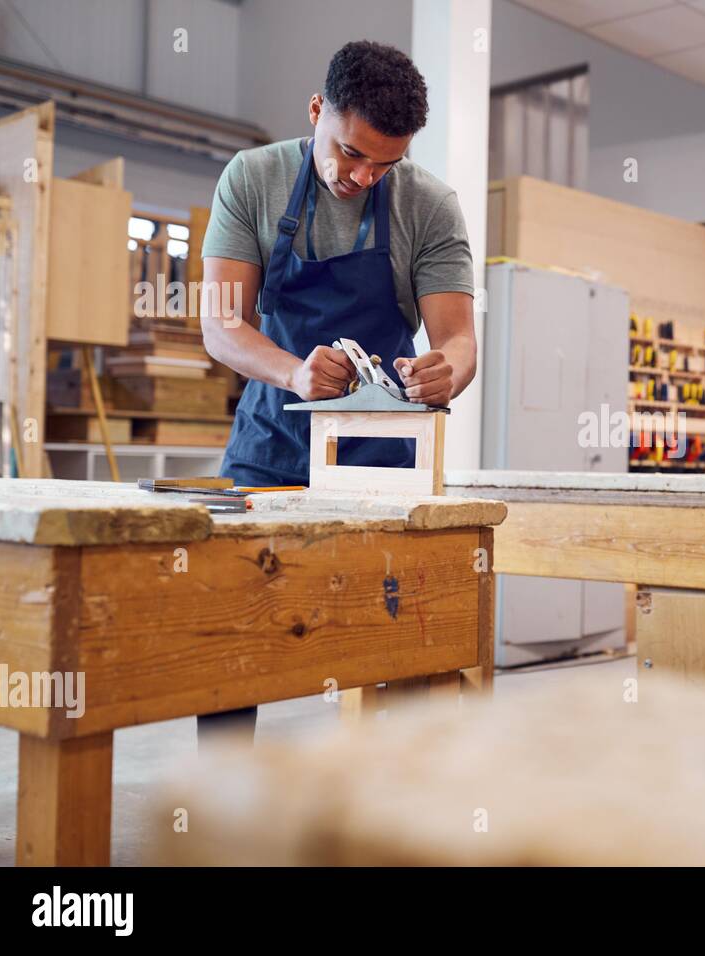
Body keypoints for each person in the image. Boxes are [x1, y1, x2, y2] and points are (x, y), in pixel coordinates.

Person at [196, 40, 476, 744]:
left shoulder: (431, 205)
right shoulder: (252, 179)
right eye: (351, 153)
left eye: (387, 162)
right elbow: (222, 326)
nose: (364, 176)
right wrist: (294, 372)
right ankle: (223, 798)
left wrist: (448, 369)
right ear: (317, 110)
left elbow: (460, 341)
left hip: (383, 455)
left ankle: (389, 803)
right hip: (273, 440)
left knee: (395, 626)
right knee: (236, 626)